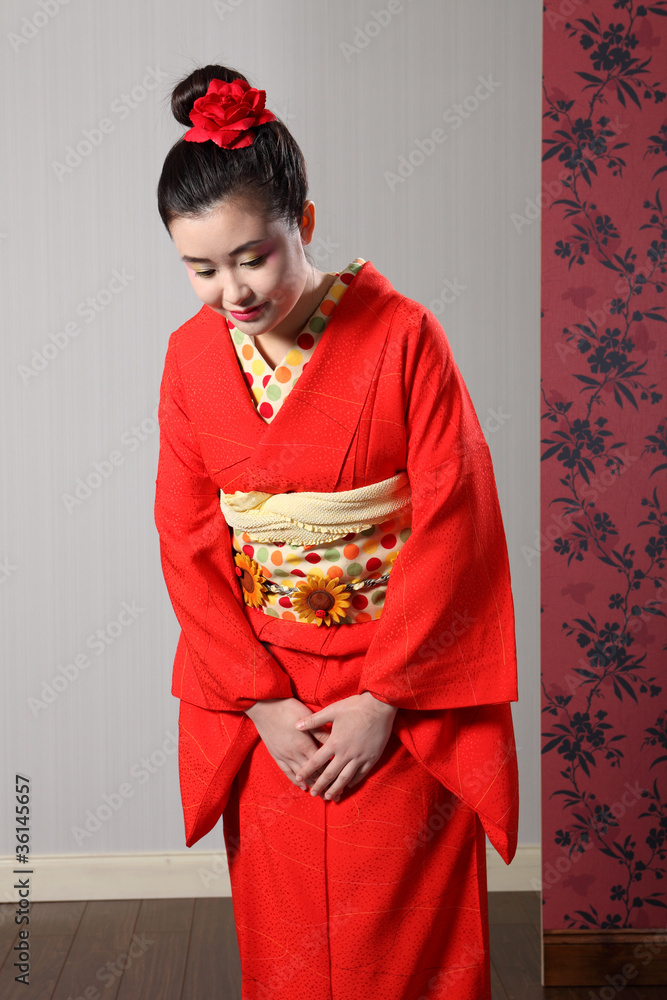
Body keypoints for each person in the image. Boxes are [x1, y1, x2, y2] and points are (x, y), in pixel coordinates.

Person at [155, 64, 519, 1000]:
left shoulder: (404, 336)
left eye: (253, 257)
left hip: (392, 688)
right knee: (284, 939)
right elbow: (188, 536)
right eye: (201, 268)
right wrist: (259, 702)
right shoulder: (191, 359)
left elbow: (454, 520)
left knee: (406, 939)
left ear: (302, 226)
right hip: (269, 695)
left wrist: (387, 696)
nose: (231, 291)